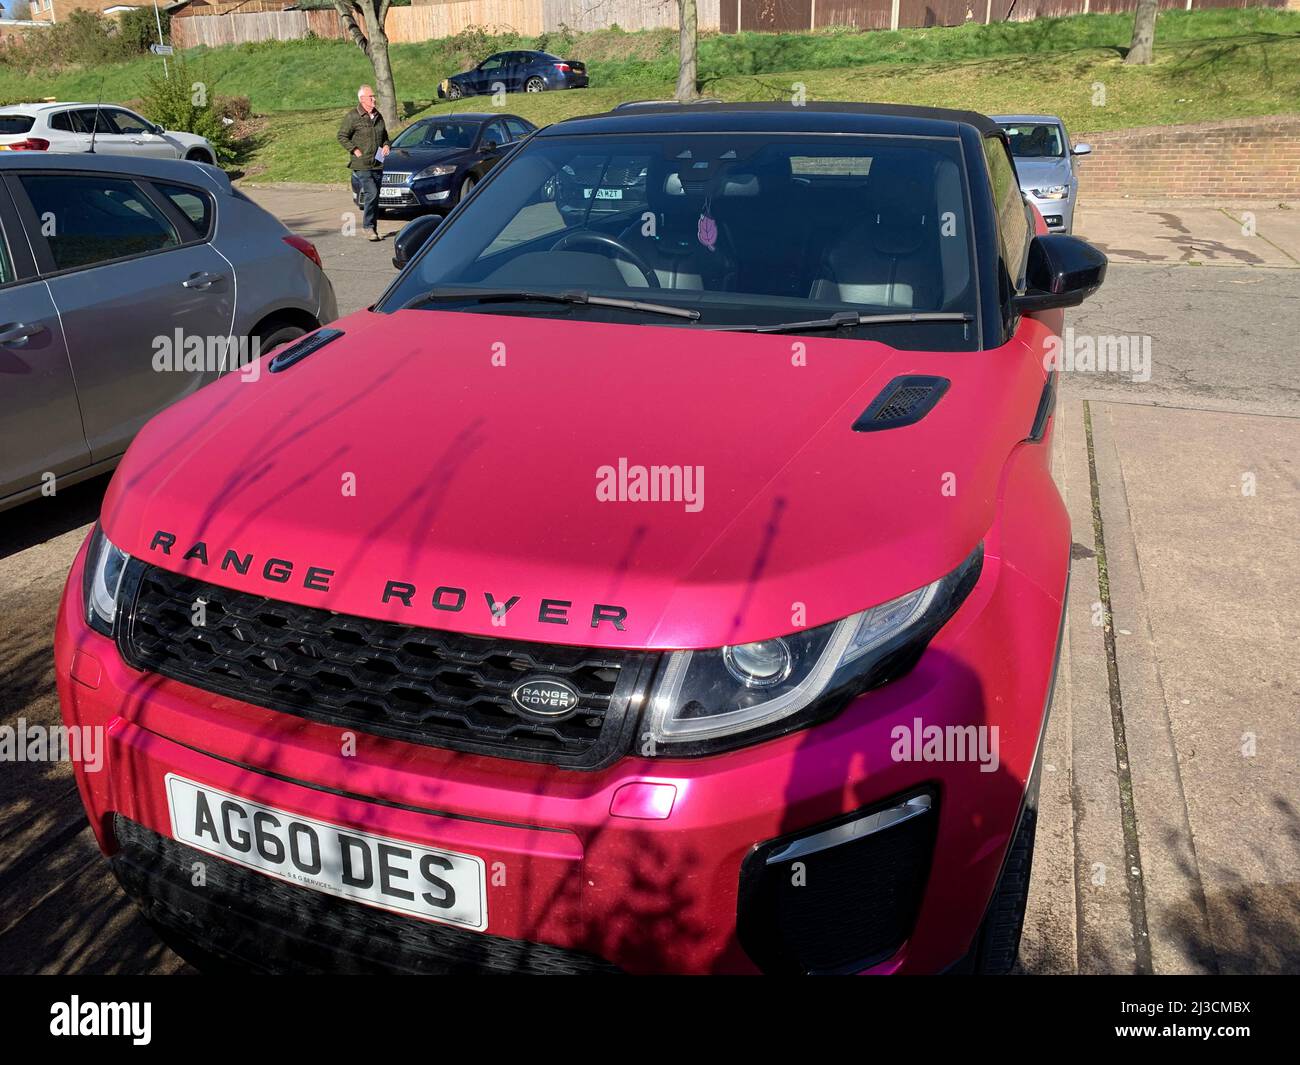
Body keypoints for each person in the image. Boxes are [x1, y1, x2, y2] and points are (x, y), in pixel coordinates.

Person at [337, 85, 391, 241]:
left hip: (377, 162)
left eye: (374, 96)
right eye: (371, 97)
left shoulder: (378, 116)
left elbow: (384, 136)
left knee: (375, 197)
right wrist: (354, 149)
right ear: (362, 99)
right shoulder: (353, 116)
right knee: (371, 193)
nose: (374, 99)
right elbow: (342, 136)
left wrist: (387, 145)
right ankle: (368, 228)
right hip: (361, 164)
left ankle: (372, 228)